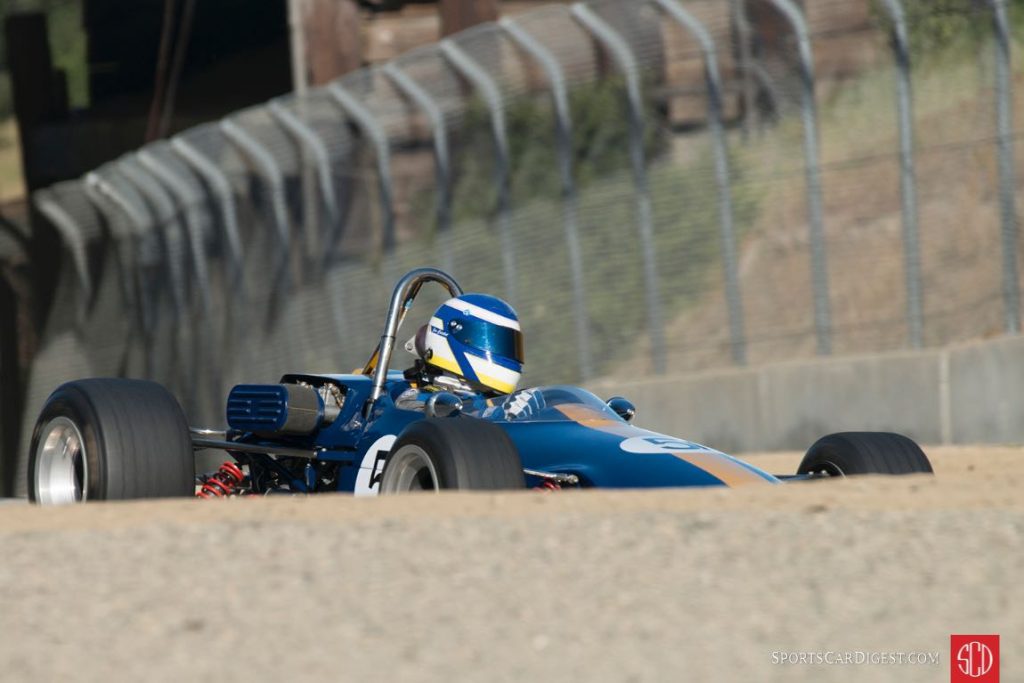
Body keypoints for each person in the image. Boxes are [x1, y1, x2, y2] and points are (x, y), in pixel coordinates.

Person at [402, 293, 524, 398]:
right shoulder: (424, 402)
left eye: (508, 343)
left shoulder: (505, 405)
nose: (506, 351)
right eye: (486, 336)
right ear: (456, 328)